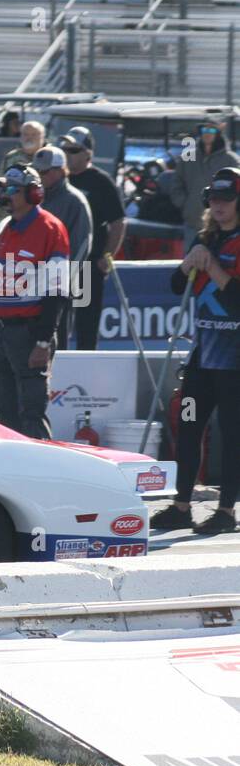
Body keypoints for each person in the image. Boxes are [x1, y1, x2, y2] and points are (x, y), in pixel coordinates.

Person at [151, 167, 240, 535]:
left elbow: (235, 299)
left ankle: (226, 510)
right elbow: (175, 285)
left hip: (234, 362)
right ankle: (181, 505)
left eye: (227, 200)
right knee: (188, 428)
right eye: (214, 200)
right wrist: (190, 261)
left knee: (233, 434)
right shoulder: (204, 239)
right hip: (202, 359)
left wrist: (214, 268)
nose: (219, 206)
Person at [0, 165, 71, 439]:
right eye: (2, 188)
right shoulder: (5, 228)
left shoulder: (51, 228)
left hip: (29, 332)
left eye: (11, 189)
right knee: (4, 415)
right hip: (0, 331)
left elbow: (58, 291)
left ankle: (41, 477)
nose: (4, 195)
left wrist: (43, 342)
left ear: (33, 194)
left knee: (31, 413)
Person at [61, 127, 126, 350]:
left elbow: (117, 222)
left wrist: (107, 256)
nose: (67, 154)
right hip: (59, 264)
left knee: (85, 324)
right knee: (57, 323)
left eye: (73, 150)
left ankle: (83, 374)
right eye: (65, 149)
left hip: (88, 265)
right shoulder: (57, 180)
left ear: (88, 153)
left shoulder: (101, 182)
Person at [34, 144, 92, 349]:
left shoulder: (75, 201)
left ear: (60, 170)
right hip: (33, 284)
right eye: (37, 171)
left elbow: (82, 246)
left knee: (56, 343)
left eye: (45, 172)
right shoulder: (35, 199)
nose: (40, 176)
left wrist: (64, 285)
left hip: (59, 287)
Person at [168, 121, 240, 250]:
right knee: (190, 263)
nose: (207, 134)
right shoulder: (187, 157)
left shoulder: (231, 160)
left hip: (221, 226)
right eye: (204, 130)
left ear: (218, 134)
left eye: (211, 131)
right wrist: (185, 204)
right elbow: (176, 183)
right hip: (192, 222)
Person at [0, 120, 45, 221]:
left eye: (34, 134)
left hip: (41, 217)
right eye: (26, 134)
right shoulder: (11, 158)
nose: (29, 138)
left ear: (42, 137)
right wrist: (0, 218)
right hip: (13, 217)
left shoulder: (49, 157)